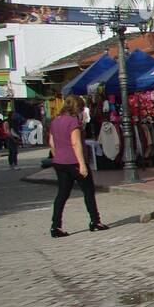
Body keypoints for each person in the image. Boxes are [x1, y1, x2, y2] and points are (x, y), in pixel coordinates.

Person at [49, 95, 107, 237]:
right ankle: (95, 221)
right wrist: (82, 164)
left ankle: (56, 226)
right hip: (74, 161)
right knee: (88, 191)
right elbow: (76, 143)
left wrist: (57, 155)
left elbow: (51, 142)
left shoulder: (55, 121)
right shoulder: (73, 122)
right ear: (78, 108)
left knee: (62, 194)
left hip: (59, 162)